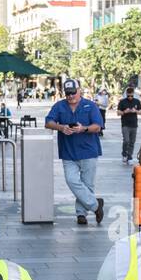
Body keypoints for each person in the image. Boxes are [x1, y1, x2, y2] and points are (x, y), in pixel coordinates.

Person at [45, 77, 105, 227]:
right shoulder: (59, 106)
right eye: (67, 93)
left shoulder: (90, 106)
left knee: (87, 184)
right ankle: (96, 206)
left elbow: (97, 126)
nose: (70, 96)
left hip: (88, 151)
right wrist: (61, 127)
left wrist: (83, 128)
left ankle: (81, 214)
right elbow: (48, 122)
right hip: (68, 152)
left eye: (73, 92)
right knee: (72, 180)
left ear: (79, 91)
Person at [118, 85, 141, 164]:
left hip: (134, 124)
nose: (130, 97)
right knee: (126, 140)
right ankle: (124, 153)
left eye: (132, 96)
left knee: (132, 141)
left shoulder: (137, 101)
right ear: (126, 94)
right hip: (125, 124)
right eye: (129, 96)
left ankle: (130, 156)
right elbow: (118, 113)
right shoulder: (122, 102)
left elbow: (140, 112)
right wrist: (124, 112)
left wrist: (135, 111)